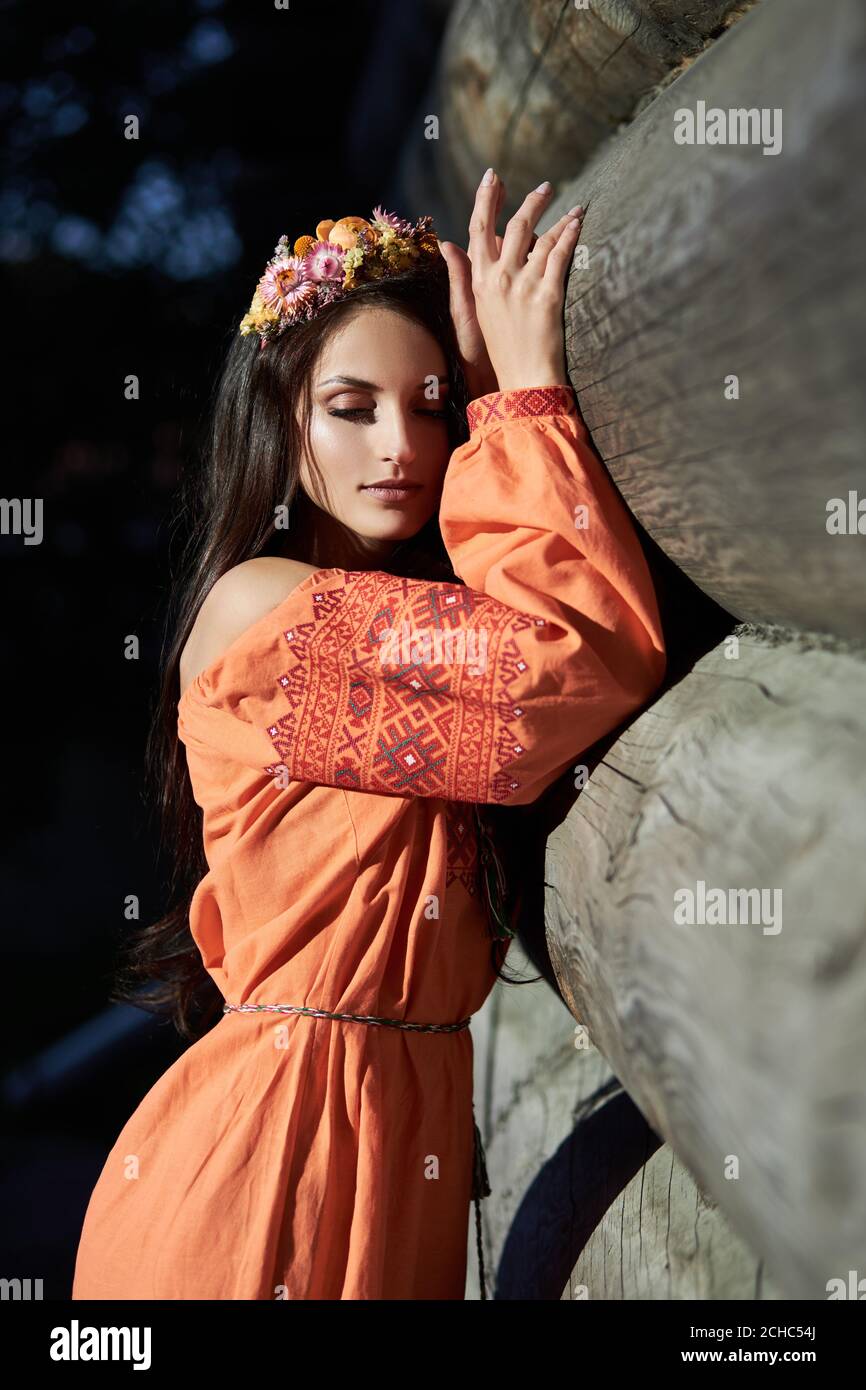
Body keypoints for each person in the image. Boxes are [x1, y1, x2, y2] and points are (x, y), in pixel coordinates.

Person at [71, 169, 666, 1300]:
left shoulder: (384, 618)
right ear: (281, 422)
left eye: (436, 402)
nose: (402, 442)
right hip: (267, 1177)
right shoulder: (265, 612)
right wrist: (521, 402)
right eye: (352, 407)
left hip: (384, 1145)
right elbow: (578, 660)